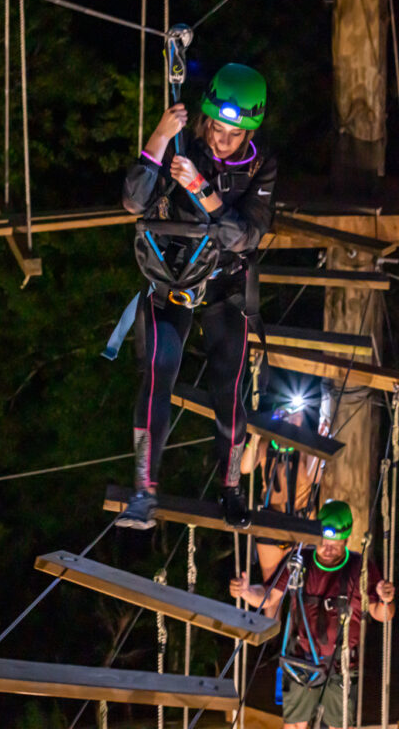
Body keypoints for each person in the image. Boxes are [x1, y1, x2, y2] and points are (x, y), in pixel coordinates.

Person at [116, 62, 275, 530]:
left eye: (235, 135)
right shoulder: (184, 145)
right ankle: (144, 491)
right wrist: (160, 138)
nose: (223, 141)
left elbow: (247, 235)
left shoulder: (262, 162)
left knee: (228, 389)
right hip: (173, 282)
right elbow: (133, 201)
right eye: (217, 129)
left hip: (225, 286)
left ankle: (230, 488)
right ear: (205, 119)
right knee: (157, 371)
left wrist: (201, 190)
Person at [230, 501, 395, 729]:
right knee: (295, 726)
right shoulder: (300, 560)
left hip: (340, 666)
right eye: (323, 544)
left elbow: (382, 614)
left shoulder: (360, 567)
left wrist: (385, 599)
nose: (327, 550)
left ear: (346, 540)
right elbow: (268, 597)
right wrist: (247, 592)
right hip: (300, 660)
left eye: (334, 546)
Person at [241, 400, 326, 582]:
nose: (289, 420)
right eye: (283, 414)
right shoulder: (266, 443)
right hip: (271, 521)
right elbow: (245, 468)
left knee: (300, 588)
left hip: (301, 521)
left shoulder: (305, 447)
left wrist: (319, 440)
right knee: (270, 586)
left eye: (295, 415)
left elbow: (315, 477)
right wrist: (256, 434)